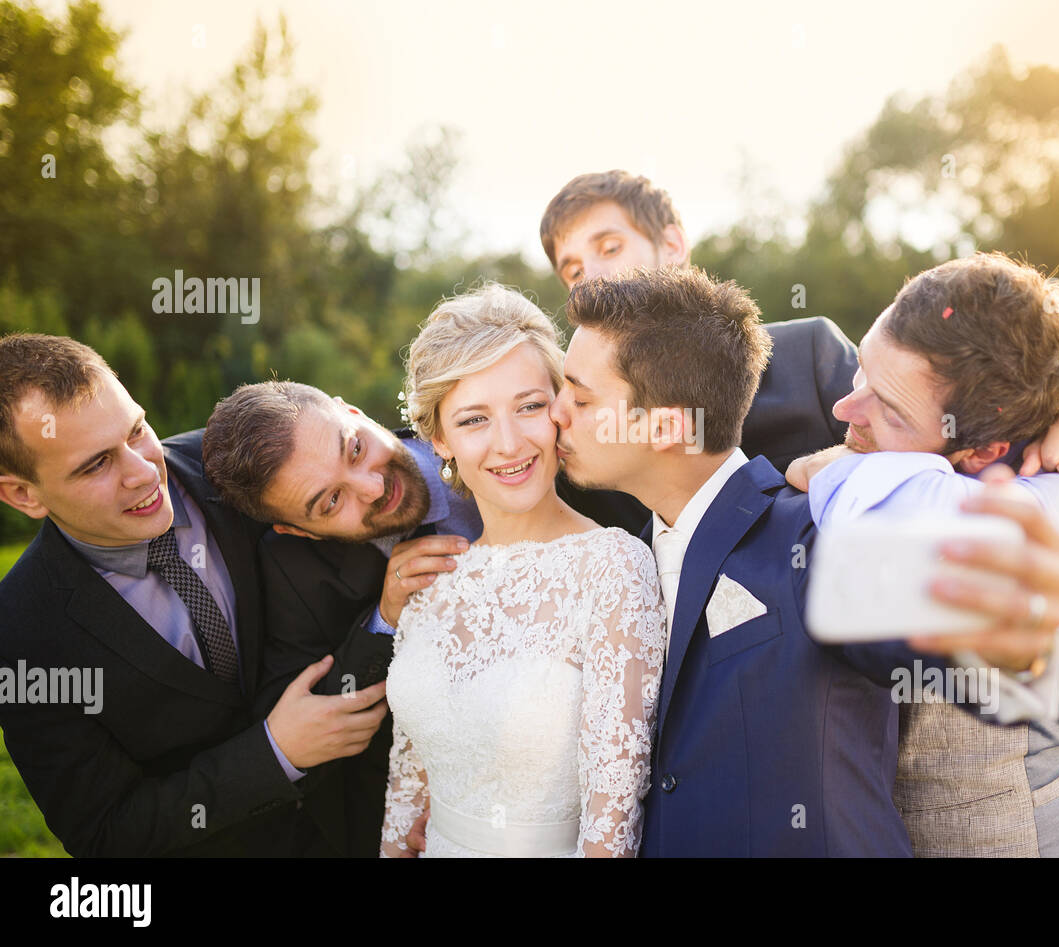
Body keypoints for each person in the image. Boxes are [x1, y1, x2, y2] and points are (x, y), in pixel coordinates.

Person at [551, 265, 1059, 855]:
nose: (556, 413)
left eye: (581, 397)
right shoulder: (623, 558)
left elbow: (944, 645)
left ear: (668, 427)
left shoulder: (814, 535)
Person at [786, 253, 1059, 856]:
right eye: (860, 373)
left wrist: (826, 464)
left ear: (986, 450)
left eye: (889, 409)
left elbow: (892, 510)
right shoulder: (938, 448)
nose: (845, 411)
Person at [0, 334, 388, 856]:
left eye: (136, 430)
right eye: (95, 465)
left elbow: (389, 482)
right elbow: (107, 833)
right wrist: (273, 754)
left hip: (384, 818)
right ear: (23, 494)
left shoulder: (243, 466)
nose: (143, 473)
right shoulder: (21, 631)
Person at [539, 169, 1059, 492]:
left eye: (610, 245)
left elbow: (934, 407)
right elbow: (487, 449)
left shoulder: (808, 356)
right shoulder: (576, 414)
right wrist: (437, 511)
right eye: (572, 267)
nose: (591, 273)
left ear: (672, 247)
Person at [377, 285, 665, 856]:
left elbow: (614, 820)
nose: (509, 444)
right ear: (439, 439)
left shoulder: (613, 565)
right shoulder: (431, 579)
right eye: (474, 419)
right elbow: (405, 797)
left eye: (530, 406)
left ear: (561, 408)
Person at [203, 382, 480, 856]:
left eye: (354, 448)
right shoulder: (293, 573)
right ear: (296, 530)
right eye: (331, 502)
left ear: (350, 408)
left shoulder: (496, 437)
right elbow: (313, 725)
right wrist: (385, 618)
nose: (373, 487)